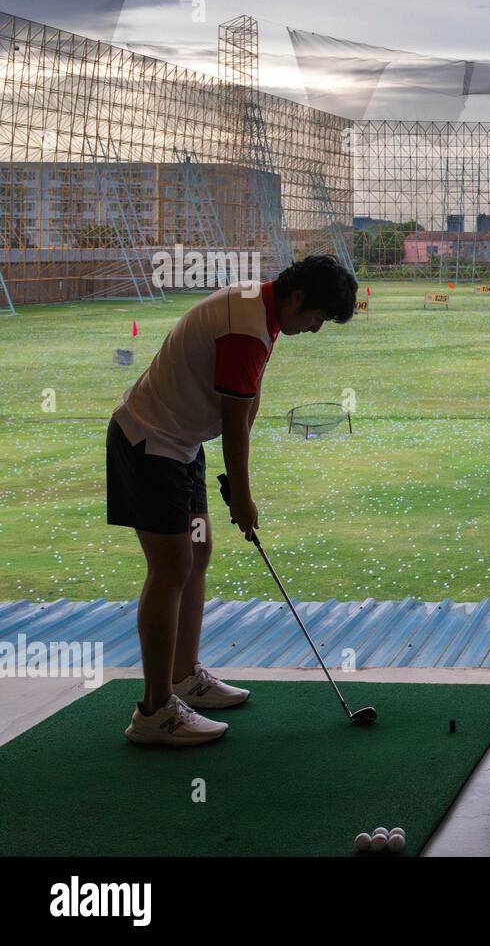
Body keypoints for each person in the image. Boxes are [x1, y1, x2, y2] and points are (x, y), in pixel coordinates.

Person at [106, 255, 357, 746]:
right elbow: (235, 423)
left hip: (181, 445)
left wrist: (235, 486)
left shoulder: (262, 307)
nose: (315, 329)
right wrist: (241, 496)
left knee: (196, 553)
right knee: (171, 566)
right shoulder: (246, 327)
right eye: (318, 318)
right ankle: (155, 711)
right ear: (299, 299)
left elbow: (246, 402)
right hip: (149, 444)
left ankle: (183, 678)